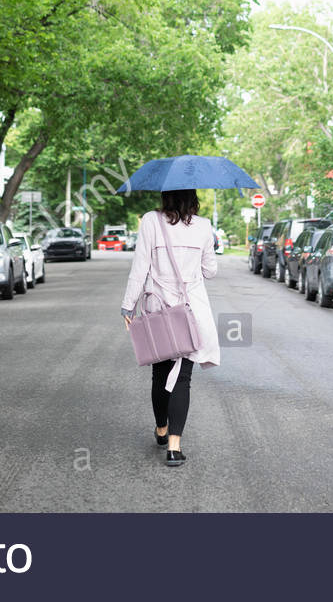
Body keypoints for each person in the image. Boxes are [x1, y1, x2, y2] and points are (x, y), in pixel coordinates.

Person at [120, 188, 220, 467]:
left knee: (160, 372)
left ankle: (162, 429)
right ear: (193, 198)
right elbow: (210, 271)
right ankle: (174, 447)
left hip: (159, 310)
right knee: (183, 378)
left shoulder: (151, 220)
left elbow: (140, 267)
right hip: (190, 313)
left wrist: (127, 305)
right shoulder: (203, 226)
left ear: (166, 197)